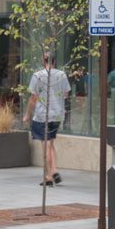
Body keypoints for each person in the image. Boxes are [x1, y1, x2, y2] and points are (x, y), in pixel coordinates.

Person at [26, 51, 69, 188]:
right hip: (56, 114)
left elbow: (33, 98)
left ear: (43, 61)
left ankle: (49, 176)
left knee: (45, 146)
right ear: (54, 61)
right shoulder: (61, 75)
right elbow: (66, 94)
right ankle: (54, 170)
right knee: (50, 143)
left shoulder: (37, 76)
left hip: (42, 115)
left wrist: (27, 114)